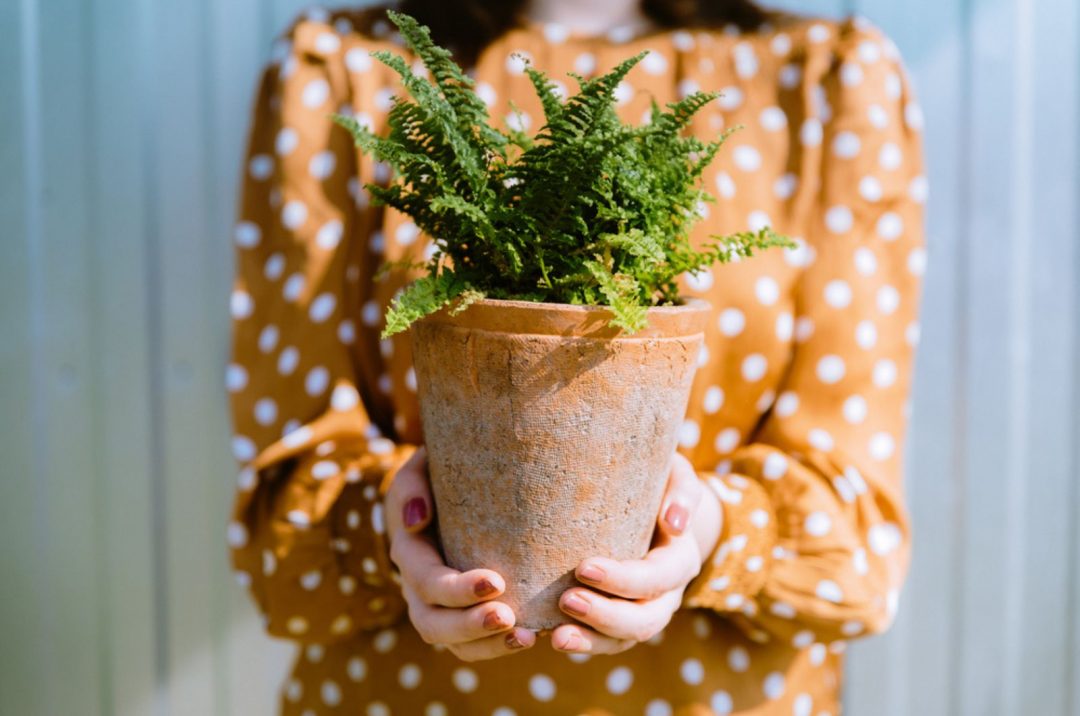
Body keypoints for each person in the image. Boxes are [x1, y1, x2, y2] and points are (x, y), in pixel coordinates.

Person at [225, 0, 926, 712]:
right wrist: (392, 525)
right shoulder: (347, 67)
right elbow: (277, 558)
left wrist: (711, 530)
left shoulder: (826, 82)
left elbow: (860, 551)